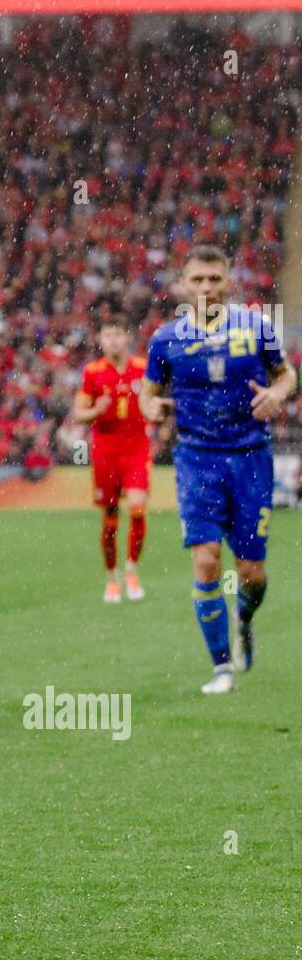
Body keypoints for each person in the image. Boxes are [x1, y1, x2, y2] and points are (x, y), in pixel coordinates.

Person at [140, 245, 297, 693]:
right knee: (207, 561)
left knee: (251, 572)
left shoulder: (256, 327)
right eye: (197, 280)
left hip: (250, 458)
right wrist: (150, 408)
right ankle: (222, 666)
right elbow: (147, 391)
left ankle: (243, 618)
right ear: (183, 285)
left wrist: (277, 394)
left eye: (214, 279)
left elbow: (285, 374)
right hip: (196, 460)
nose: (206, 287)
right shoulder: (166, 339)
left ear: (228, 281)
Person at [72, 315, 150, 603]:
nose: (113, 340)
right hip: (105, 453)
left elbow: (153, 400)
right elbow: (78, 413)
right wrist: (96, 410)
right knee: (110, 519)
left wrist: (157, 410)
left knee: (139, 510)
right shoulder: (92, 372)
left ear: (127, 338)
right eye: (108, 335)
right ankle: (111, 578)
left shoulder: (142, 368)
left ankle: (132, 570)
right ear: (101, 340)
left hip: (136, 450)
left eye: (118, 335)